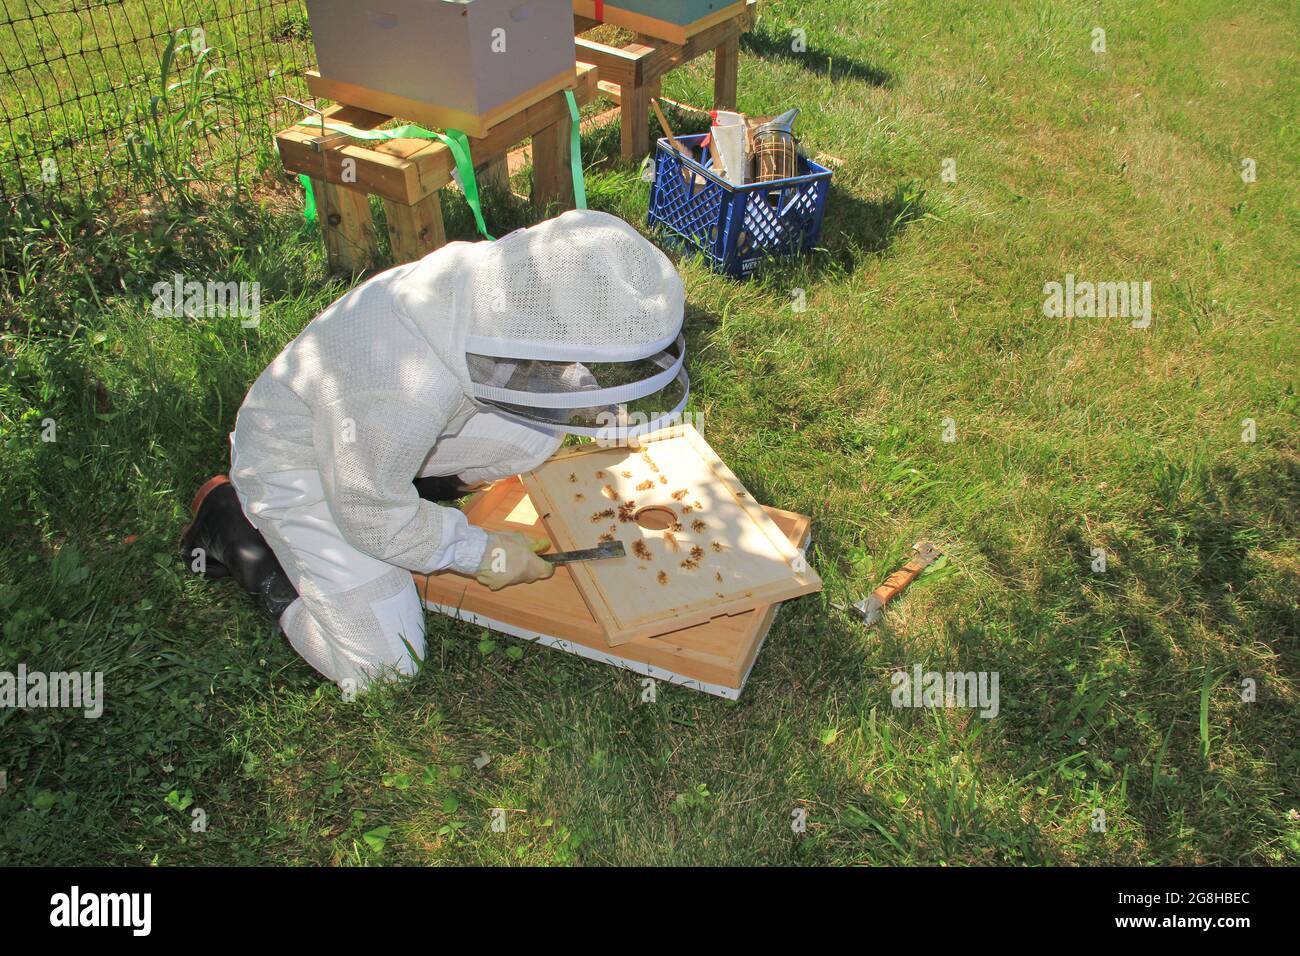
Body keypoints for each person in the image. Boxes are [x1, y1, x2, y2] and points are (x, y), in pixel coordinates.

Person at [180, 210, 688, 690]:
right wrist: (477, 551)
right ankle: (238, 534)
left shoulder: (492, 289)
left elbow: (539, 367)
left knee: (538, 433)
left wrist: (590, 409)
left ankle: (422, 485)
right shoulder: (404, 393)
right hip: (300, 465)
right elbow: (368, 512)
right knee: (388, 665)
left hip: (373, 441)